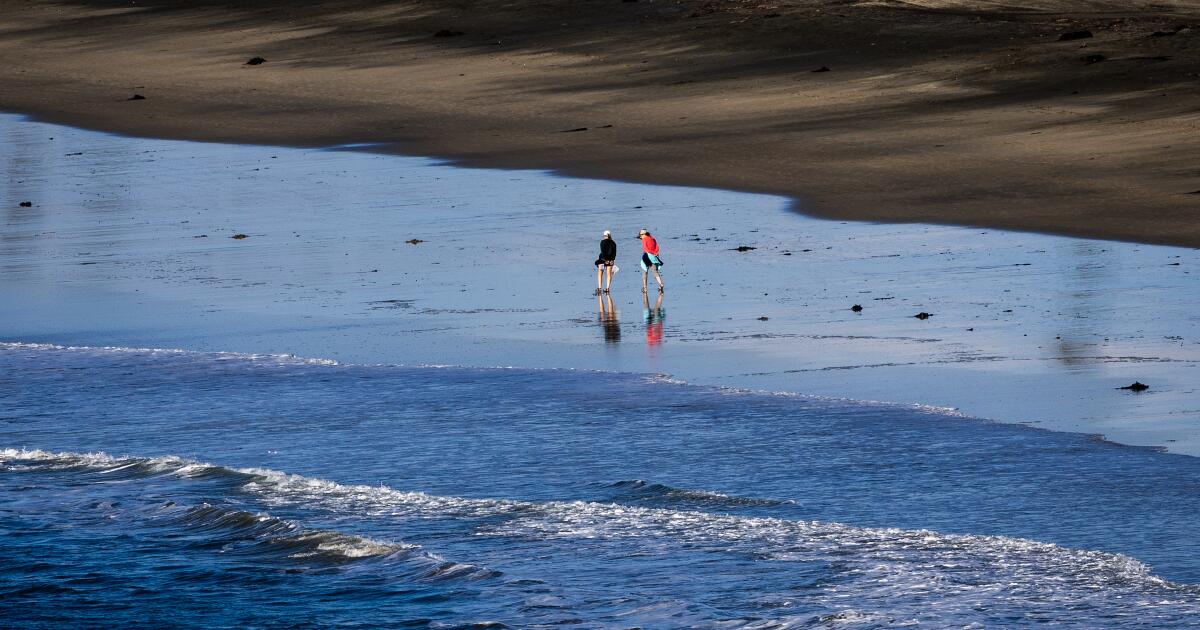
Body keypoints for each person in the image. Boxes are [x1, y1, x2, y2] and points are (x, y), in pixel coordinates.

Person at [637, 228, 664, 293]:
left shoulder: (644, 239)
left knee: (644, 271)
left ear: (643, 234)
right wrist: (655, 254)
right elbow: (657, 247)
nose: (640, 236)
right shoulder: (652, 238)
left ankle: (645, 287)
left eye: (640, 235)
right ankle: (661, 284)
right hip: (654, 256)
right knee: (655, 271)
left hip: (647, 256)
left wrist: (647, 253)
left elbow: (645, 248)